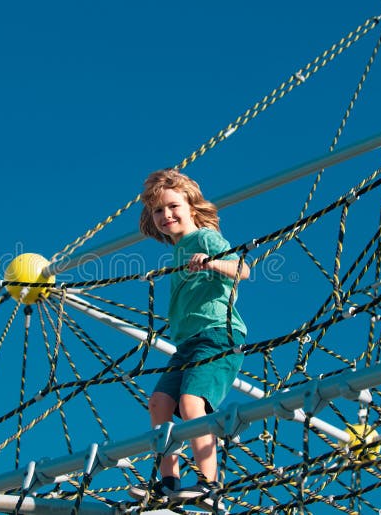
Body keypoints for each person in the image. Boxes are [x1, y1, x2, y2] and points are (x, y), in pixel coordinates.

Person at [129, 169, 249, 510]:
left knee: (191, 402)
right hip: (188, 343)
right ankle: (168, 482)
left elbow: (243, 269)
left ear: (191, 208)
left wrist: (211, 263)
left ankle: (210, 484)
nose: (166, 215)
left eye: (173, 206)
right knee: (159, 404)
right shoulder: (177, 252)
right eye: (158, 211)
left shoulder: (205, 238)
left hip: (218, 335)